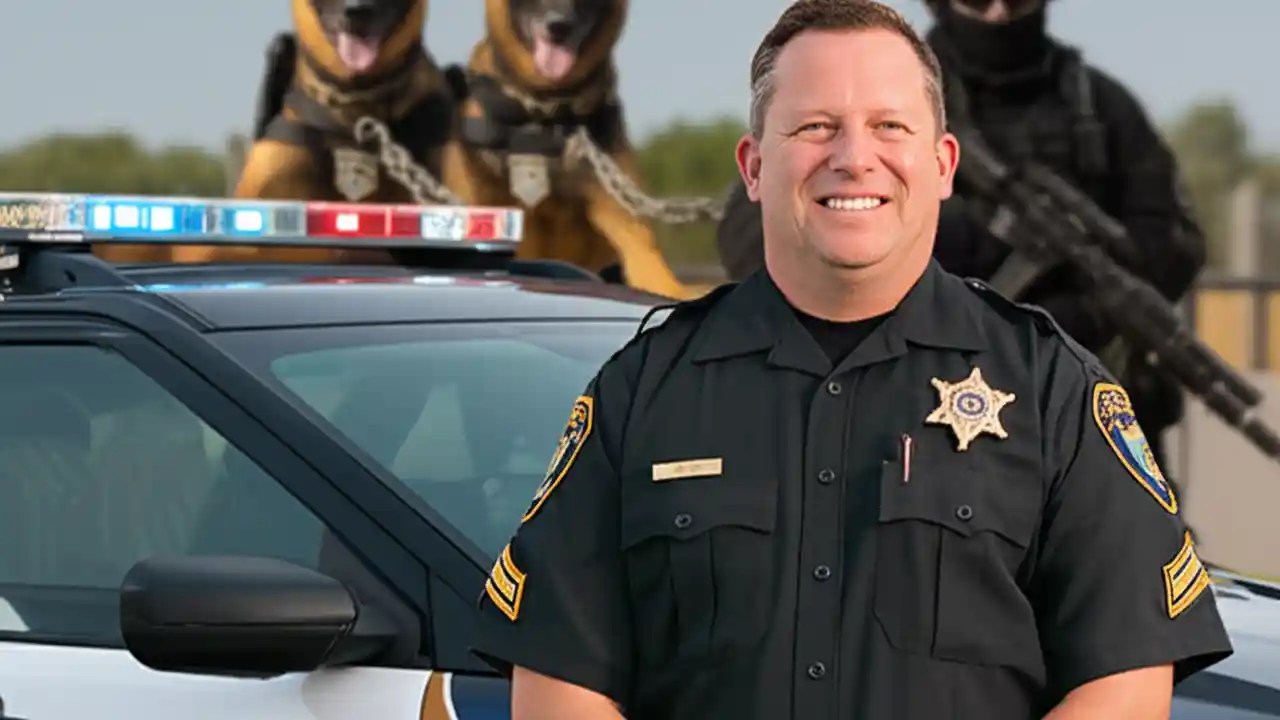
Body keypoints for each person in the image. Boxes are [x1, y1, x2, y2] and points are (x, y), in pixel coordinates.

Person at [470, 1, 1232, 718]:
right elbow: (557, 682)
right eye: (815, 126)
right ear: (753, 166)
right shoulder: (643, 391)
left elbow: (1126, 683)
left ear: (942, 164)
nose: (853, 157)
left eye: (889, 126)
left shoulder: (1052, 390)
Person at [715, 0, 1206, 479]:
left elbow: (1171, 239)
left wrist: (1074, 317)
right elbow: (749, 235)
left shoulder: (1098, 106)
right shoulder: (881, 84)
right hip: (897, 420)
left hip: (1078, 419)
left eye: (1016, 2)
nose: (997, 14)